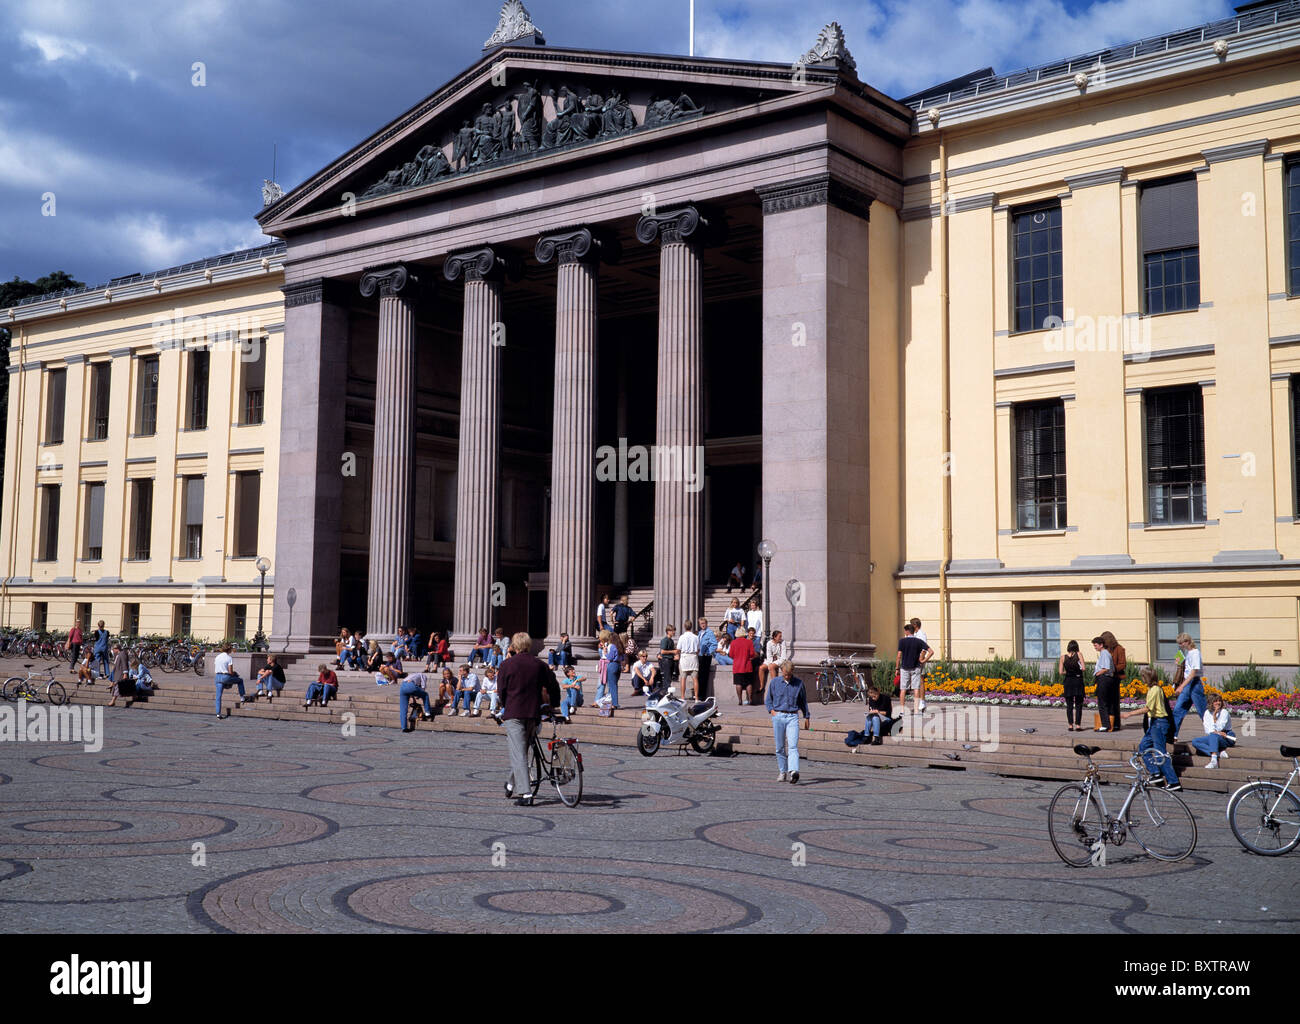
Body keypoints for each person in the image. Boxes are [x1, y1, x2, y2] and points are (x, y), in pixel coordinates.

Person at [497, 632, 561, 806]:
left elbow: (501, 690)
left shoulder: (506, 665)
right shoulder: (539, 664)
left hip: (514, 713)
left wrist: (505, 704)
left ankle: (526, 794)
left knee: (518, 754)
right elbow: (553, 685)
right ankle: (511, 783)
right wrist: (553, 704)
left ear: (514, 646)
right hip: (533, 713)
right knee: (522, 751)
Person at [1122, 666, 1180, 790]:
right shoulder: (1153, 689)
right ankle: (1156, 773)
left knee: (1160, 753)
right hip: (1154, 723)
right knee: (1143, 747)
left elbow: (1148, 708)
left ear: (1147, 677)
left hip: (1159, 723)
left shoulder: (1154, 690)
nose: (1142, 679)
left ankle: (1174, 782)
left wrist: (1129, 714)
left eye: (1143, 677)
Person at [766, 659, 811, 784]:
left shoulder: (799, 683)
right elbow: (768, 699)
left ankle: (793, 771)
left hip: (792, 717)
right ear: (781, 671)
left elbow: (803, 701)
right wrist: (772, 711)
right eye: (785, 674)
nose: (787, 676)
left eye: (789, 674)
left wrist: (806, 717)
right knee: (779, 747)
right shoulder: (775, 682)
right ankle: (782, 771)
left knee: (792, 746)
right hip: (778, 716)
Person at [1171, 632, 1206, 739]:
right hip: (1188, 684)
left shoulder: (1195, 653)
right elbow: (1188, 669)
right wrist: (1179, 663)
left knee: (1203, 711)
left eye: (1181, 644)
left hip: (1194, 684)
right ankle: (1173, 735)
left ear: (1187, 642)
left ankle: (1215, 733)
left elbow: (1193, 672)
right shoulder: (1190, 653)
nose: (1180, 646)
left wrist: (1181, 686)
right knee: (1178, 709)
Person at [1188, 693, 1235, 769]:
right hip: (1215, 736)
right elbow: (1207, 730)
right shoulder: (1207, 713)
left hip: (1227, 736)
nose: (1218, 703)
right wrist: (1216, 732)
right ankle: (1219, 753)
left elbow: (1220, 728)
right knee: (1195, 741)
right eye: (1215, 701)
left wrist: (1215, 717)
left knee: (1213, 735)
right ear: (1211, 703)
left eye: (1219, 701)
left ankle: (1214, 761)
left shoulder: (1224, 712)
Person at [894, 623, 930, 715]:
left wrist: (897, 668)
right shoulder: (919, 641)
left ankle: (902, 710)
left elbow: (898, 656)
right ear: (913, 631)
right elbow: (931, 651)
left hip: (904, 668)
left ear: (906, 631)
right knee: (916, 689)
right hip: (916, 667)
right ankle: (917, 711)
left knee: (903, 689)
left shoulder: (902, 641)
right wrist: (924, 660)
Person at [213, 643, 247, 719]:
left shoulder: (217, 657)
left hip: (218, 677)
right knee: (240, 680)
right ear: (229, 650)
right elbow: (230, 672)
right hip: (225, 677)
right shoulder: (229, 658)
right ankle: (242, 697)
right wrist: (235, 674)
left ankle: (218, 714)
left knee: (218, 696)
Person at [1092, 635, 1118, 732]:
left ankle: (1105, 725)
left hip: (1104, 679)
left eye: (1095, 645)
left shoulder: (1104, 653)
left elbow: (1106, 668)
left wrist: (1098, 673)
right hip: (1107, 679)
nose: (1095, 647)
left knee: (1102, 702)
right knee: (1108, 702)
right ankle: (1110, 724)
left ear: (1101, 645)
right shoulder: (1105, 653)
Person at [1059, 640, 1086, 731]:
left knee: (1069, 705)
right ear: (1076, 647)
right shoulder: (1079, 654)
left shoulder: (1063, 657)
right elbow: (1083, 668)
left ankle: (1070, 725)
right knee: (1078, 704)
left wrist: (1067, 672)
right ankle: (1078, 725)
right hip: (1078, 681)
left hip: (1068, 682)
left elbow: (1060, 672)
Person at [758, 629, 791, 695]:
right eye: (779, 636)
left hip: (780, 660)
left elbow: (783, 657)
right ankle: (761, 686)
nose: (780, 638)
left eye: (781, 636)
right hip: (771, 660)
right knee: (761, 668)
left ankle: (775, 686)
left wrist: (775, 663)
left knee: (771, 667)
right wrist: (772, 662)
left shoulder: (783, 642)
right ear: (775, 637)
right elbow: (769, 655)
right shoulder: (769, 643)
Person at [730, 627, 757, 705]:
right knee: (749, 683)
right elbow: (752, 654)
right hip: (747, 665)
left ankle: (740, 700)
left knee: (738, 683)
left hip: (737, 666)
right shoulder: (749, 642)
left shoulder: (733, 642)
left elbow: (731, 654)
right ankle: (750, 700)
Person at [597, 630, 621, 708]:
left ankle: (615, 703)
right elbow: (622, 657)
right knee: (615, 685)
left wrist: (605, 653)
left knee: (612, 686)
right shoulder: (619, 646)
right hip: (618, 665)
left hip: (612, 665)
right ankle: (614, 702)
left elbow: (610, 657)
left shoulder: (611, 646)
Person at [677, 619, 700, 701]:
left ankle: (683, 697)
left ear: (684, 627)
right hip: (693, 657)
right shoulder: (696, 637)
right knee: (695, 678)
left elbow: (678, 649)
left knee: (683, 678)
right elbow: (698, 649)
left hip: (684, 657)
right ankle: (696, 698)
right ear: (691, 627)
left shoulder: (682, 637)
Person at [696, 617, 717, 699]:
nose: (702, 625)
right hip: (700, 655)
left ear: (706, 624)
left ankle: (702, 695)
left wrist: (709, 652)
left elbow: (714, 644)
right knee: (700, 676)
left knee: (704, 676)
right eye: (701, 623)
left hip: (706, 656)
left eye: (704, 623)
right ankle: (698, 694)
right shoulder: (700, 633)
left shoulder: (710, 632)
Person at [657, 623, 679, 689]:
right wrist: (673, 652)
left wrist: (676, 653)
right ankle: (665, 693)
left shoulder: (671, 640)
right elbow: (662, 651)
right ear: (668, 631)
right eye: (672, 631)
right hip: (666, 661)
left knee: (669, 679)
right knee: (667, 678)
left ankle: (668, 693)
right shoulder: (665, 640)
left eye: (674, 630)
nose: (674, 632)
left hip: (671, 660)